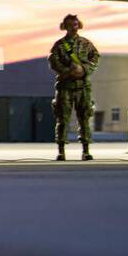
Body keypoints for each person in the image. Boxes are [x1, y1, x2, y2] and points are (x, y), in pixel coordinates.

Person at [48, 14, 99, 160]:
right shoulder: (59, 45)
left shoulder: (86, 44)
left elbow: (95, 57)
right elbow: (53, 62)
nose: (73, 27)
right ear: (65, 26)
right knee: (62, 118)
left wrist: (84, 69)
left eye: (75, 24)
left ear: (79, 25)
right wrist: (68, 71)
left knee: (84, 117)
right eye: (70, 25)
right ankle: (61, 150)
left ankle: (86, 150)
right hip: (65, 85)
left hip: (83, 86)